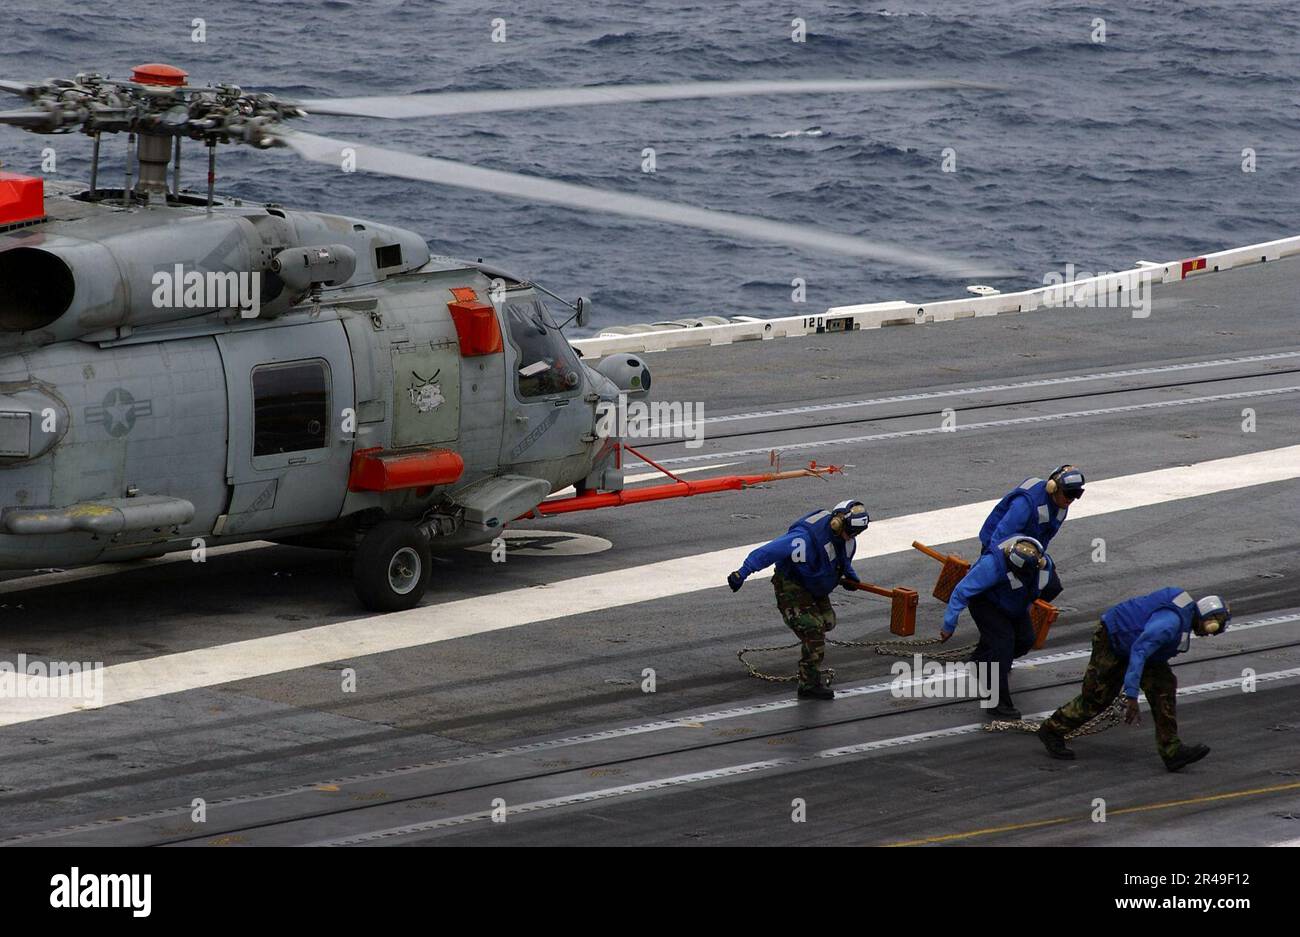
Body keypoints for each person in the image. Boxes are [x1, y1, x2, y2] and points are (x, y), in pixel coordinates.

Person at [1037, 589, 1230, 771]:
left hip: (1140, 645)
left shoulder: (1184, 617)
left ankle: (1171, 751)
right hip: (1113, 638)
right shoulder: (1170, 624)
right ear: (1209, 620)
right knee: (1098, 697)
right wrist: (1131, 695)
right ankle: (1052, 729)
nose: (1210, 634)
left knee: (1163, 687)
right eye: (1214, 629)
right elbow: (1139, 650)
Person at [727, 500, 870, 700]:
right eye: (851, 532)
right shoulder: (804, 539)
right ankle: (808, 684)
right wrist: (741, 573)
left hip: (815, 586)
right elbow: (768, 552)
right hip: (792, 587)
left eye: (857, 533)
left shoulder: (846, 539)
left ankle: (810, 650)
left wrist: (850, 576)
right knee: (814, 629)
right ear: (836, 524)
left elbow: (842, 559)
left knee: (828, 621)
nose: (852, 537)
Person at [940, 535, 1062, 718]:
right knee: (1003, 646)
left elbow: (1041, 588)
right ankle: (997, 703)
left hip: (1014, 602)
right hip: (986, 603)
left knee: (1025, 639)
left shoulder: (1044, 564)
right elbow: (961, 592)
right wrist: (949, 624)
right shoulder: (991, 565)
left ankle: (983, 660)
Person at [978, 464, 1085, 555]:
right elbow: (1001, 535)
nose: (1071, 499)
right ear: (1053, 488)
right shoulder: (1026, 503)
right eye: (1069, 493)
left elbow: (1046, 537)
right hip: (995, 542)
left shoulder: (1061, 507)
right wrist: (993, 560)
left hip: (1023, 547)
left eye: (1077, 494)